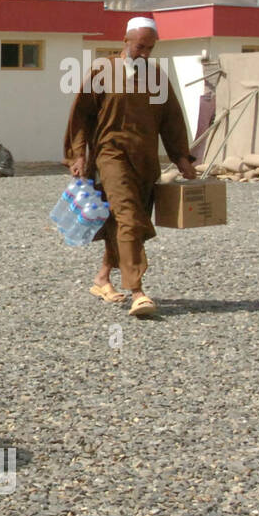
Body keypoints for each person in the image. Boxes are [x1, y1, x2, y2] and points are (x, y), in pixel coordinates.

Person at [64, 16, 197, 317]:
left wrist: (182, 158)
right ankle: (137, 290)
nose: (145, 54)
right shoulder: (102, 71)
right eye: (140, 47)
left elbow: (172, 120)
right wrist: (78, 155)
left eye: (150, 48)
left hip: (145, 160)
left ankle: (102, 278)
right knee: (127, 216)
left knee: (125, 221)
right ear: (125, 41)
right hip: (111, 157)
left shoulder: (158, 78)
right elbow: (81, 115)